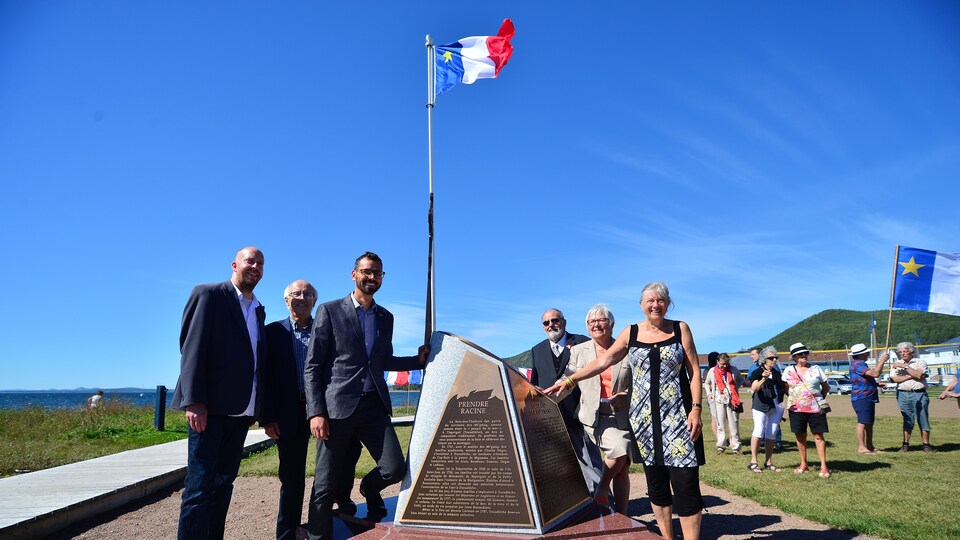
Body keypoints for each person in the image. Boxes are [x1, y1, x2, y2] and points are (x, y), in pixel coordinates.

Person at [545, 282, 705, 540]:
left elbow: (695, 371)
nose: (655, 304)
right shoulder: (631, 333)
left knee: (686, 483)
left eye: (660, 300)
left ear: (668, 303)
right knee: (656, 485)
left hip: (678, 419)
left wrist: (696, 408)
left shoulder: (680, 328)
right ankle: (667, 537)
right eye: (650, 301)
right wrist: (570, 380)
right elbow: (604, 360)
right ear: (641, 306)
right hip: (644, 421)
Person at [303, 252, 430, 540]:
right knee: (324, 485)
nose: (372, 277)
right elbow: (313, 366)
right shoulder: (329, 310)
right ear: (354, 274)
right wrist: (316, 412)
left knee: (395, 468)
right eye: (367, 272)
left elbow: (383, 360)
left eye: (377, 273)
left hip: (373, 406)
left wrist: (417, 360)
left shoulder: (386, 317)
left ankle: (369, 489)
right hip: (336, 410)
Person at [170, 247, 271, 540]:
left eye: (260, 263)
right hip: (209, 411)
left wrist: (258, 407)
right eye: (250, 261)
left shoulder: (258, 309)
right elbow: (191, 348)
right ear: (234, 264)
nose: (255, 266)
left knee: (224, 484)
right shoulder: (209, 294)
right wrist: (194, 400)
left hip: (240, 414)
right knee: (199, 487)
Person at [264, 280, 361, 539]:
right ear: (286, 300)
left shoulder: (327, 327)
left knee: (332, 469)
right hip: (288, 412)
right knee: (292, 477)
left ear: (315, 301)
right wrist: (268, 417)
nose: (302, 297)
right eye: (296, 293)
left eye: (308, 294)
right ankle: (288, 532)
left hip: (326, 410)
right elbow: (265, 377)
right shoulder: (272, 333)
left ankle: (328, 518)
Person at [561, 304, 635, 514]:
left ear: (611, 324)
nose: (596, 325)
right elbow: (569, 379)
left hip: (623, 415)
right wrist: (549, 392)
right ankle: (602, 488)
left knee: (623, 470)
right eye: (591, 322)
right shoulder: (578, 351)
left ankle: (622, 515)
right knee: (619, 450)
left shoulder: (625, 349)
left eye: (601, 320)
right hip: (595, 416)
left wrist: (627, 396)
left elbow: (640, 381)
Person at [530, 308, 602, 491]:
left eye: (554, 320)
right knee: (561, 465)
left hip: (581, 412)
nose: (551, 325)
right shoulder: (537, 350)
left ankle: (602, 501)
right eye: (546, 323)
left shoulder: (583, 343)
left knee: (590, 460)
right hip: (552, 417)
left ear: (564, 322)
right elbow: (534, 382)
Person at [782, 343, 831, 477]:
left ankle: (824, 466)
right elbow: (785, 388)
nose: (803, 356)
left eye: (805, 353)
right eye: (800, 354)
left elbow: (825, 387)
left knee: (818, 436)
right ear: (794, 357)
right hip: (796, 409)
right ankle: (803, 463)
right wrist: (795, 399)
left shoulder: (816, 369)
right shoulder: (788, 371)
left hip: (815, 408)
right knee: (800, 435)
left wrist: (818, 399)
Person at [888, 342, 934, 452]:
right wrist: (911, 375)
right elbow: (893, 379)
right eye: (900, 352)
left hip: (919, 393)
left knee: (922, 417)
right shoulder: (896, 363)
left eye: (905, 351)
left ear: (911, 351)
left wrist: (905, 367)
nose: (902, 354)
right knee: (907, 418)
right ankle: (905, 444)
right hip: (903, 393)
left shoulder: (920, 362)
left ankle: (926, 444)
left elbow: (920, 375)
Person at [748, 347, 786, 474]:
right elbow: (754, 388)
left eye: (776, 357)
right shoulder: (757, 371)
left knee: (772, 433)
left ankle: (768, 462)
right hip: (761, 405)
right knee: (759, 430)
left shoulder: (776, 372)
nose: (774, 360)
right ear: (764, 359)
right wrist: (763, 378)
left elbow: (782, 386)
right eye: (771, 358)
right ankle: (753, 462)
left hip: (776, 406)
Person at [848, 343, 886, 453]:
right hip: (862, 397)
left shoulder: (860, 364)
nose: (868, 354)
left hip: (867, 396)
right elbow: (875, 374)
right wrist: (882, 360)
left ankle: (869, 446)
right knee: (863, 422)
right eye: (866, 353)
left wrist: (877, 385)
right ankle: (861, 447)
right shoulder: (858, 364)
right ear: (861, 354)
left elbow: (863, 379)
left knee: (869, 422)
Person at [704, 353, 745, 455]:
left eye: (726, 364)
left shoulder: (734, 370)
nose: (724, 366)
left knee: (733, 424)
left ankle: (736, 447)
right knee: (720, 424)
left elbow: (741, 380)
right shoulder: (712, 371)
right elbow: (706, 383)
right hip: (718, 400)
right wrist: (709, 393)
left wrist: (735, 388)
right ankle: (721, 446)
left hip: (732, 400)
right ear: (717, 362)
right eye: (722, 364)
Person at [703, 352, 720, 441]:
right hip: (712, 396)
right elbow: (707, 383)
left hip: (721, 396)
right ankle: (719, 438)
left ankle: (722, 437)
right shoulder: (708, 370)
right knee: (714, 417)